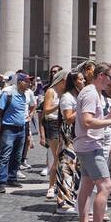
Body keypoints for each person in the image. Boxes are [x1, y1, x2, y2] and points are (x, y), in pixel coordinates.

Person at [73, 62, 111, 222]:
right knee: (105, 186)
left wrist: (107, 116)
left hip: (85, 144)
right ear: (101, 76)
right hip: (90, 146)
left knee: (87, 186)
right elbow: (87, 121)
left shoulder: (92, 93)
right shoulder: (91, 93)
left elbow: (90, 120)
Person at [0, 74, 32, 191]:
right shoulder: (8, 94)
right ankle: (0, 182)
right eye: (27, 82)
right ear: (20, 82)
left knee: (17, 156)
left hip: (21, 128)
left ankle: (12, 177)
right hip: (8, 128)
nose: (29, 84)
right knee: (5, 155)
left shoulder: (24, 95)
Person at [55, 71, 84, 213]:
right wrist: (81, 108)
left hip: (77, 134)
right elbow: (68, 118)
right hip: (68, 135)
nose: (83, 81)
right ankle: (63, 201)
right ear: (73, 81)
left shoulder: (78, 95)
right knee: (66, 166)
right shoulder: (67, 97)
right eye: (80, 79)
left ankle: (72, 198)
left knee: (76, 167)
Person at [41, 71, 65, 200]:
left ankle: (59, 184)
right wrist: (59, 105)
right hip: (53, 123)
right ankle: (51, 186)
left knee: (62, 157)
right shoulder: (51, 91)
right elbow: (46, 110)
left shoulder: (66, 92)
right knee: (57, 157)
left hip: (64, 123)